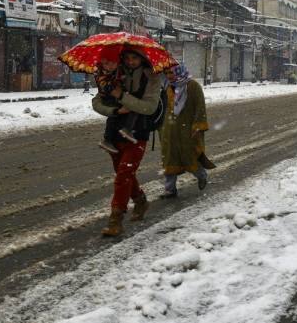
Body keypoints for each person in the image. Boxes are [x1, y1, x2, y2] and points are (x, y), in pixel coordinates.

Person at [92, 49, 161, 237]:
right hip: (115, 131)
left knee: (124, 174)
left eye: (135, 58)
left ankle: (116, 219)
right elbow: (97, 102)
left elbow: (149, 107)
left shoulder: (152, 77)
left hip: (138, 131)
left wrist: (121, 96)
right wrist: (115, 112)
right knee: (124, 172)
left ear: (143, 58)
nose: (130, 62)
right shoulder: (114, 73)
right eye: (128, 58)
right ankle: (140, 200)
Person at [159, 63, 216, 198]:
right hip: (169, 129)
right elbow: (162, 107)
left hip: (188, 130)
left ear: (180, 71)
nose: (169, 76)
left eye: (171, 73)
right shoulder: (166, 86)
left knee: (190, 156)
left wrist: (198, 125)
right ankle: (170, 189)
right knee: (169, 158)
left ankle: (201, 175)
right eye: (166, 73)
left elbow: (200, 106)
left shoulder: (192, 86)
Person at [94, 49, 140, 152]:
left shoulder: (118, 70)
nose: (110, 66)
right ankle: (108, 139)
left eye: (113, 63)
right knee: (115, 116)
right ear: (102, 62)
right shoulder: (100, 72)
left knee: (131, 109)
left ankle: (125, 129)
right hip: (108, 98)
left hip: (116, 96)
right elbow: (105, 86)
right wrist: (116, 88)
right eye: (107, 63)